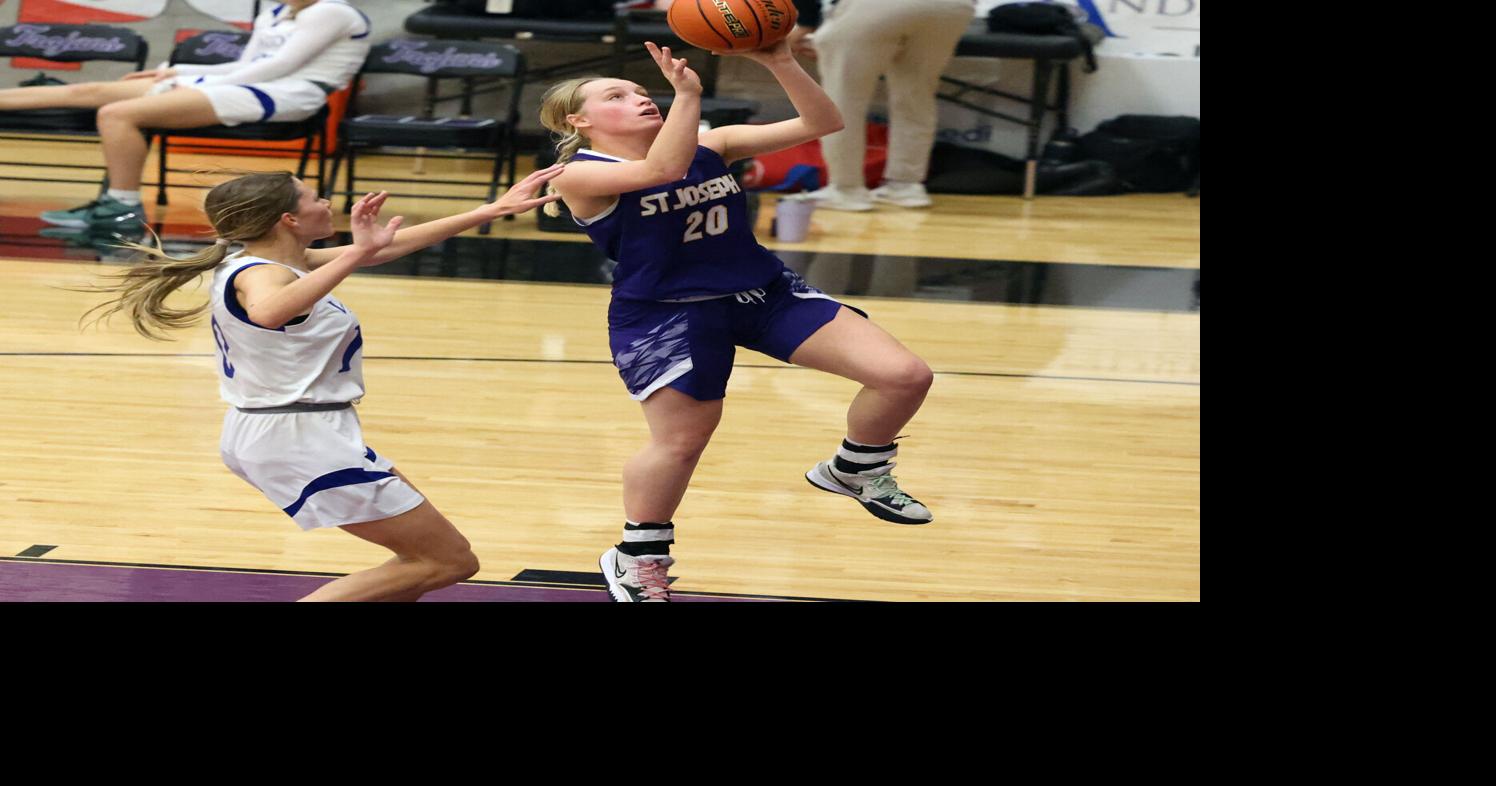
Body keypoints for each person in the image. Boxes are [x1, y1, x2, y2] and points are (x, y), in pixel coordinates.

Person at [538, 41, 935, 603]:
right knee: (681, 443)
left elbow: (825, 120)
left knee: (904, 375)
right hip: (668, 314)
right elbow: (663, 168)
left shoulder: (710, 144)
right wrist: (687, 94)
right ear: (579, 121)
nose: (638, 98)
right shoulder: (579, 176)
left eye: (640, 91)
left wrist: (778, 62)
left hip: (760, 291)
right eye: (617, 95)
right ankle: (637, 557)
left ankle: (856, 468)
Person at [79, 164, 566, 601]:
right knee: (447, 561)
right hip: (297, 437)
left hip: (297, 432)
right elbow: (269, 312)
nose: (327, 203)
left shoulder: (276, 263)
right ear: (288, 220)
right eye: (313, 197)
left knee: (420, 563)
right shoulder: (262, 275)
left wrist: (493, 209)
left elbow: (385, 248)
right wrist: (355, 257)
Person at [0, 1, 374, 233]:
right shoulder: (274, 13)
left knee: (117, 114)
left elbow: (279, 67)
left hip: (288, 94)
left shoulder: (333, 11)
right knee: (88, 92)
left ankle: (121, 207)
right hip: (243, 81)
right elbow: (247, 64)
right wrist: (175, 71)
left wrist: (187, 80)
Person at [788, 0, 976, 211]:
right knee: (916, 95)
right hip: (951, 8)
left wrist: (805, 23)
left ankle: (845, 190)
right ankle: (905, 187)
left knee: (844, 99)